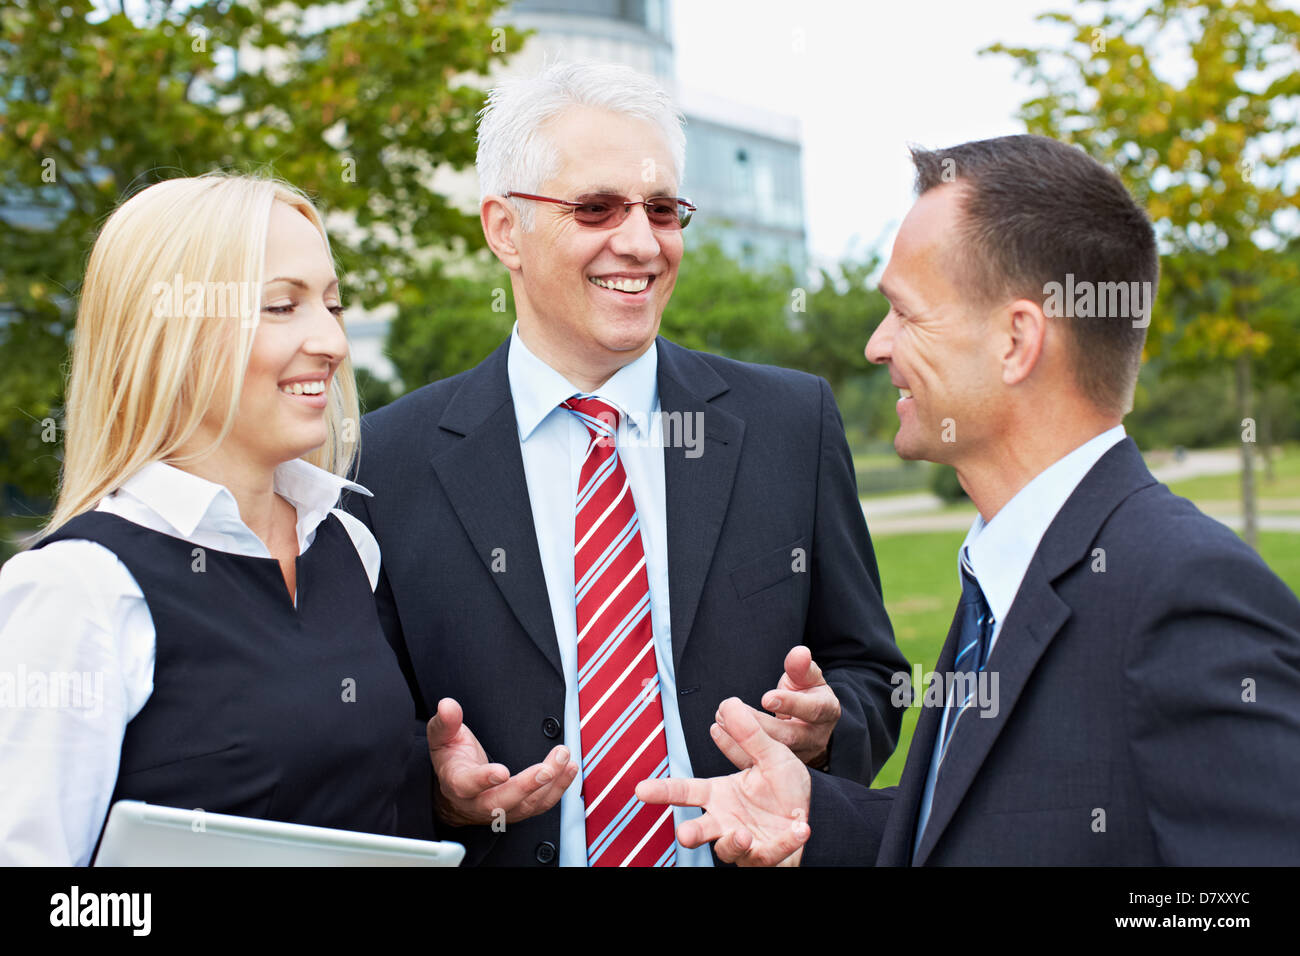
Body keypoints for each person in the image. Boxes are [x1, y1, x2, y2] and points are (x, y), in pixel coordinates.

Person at [636, 134, 1300, 866]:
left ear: (1017, 341)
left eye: (907, 313)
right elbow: (988, 823)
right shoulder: (1005, 575)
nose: (876, 346)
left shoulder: (1182, 591)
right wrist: (814, 813)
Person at [344, 61, 907, 866]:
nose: (641, 242)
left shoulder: (791, 424)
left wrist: (825, 731)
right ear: (505, 229)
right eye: (597, 208)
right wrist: (436, 790)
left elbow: (872, 676)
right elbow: (353, 727)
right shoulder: (387, 459)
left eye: (664, 210)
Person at [0, 174, 415, 865]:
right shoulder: (80, 590)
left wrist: (436, 784)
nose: (332, 342)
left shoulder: (348, 543)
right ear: (172, 335)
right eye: (282, 306)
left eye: (334, 305)